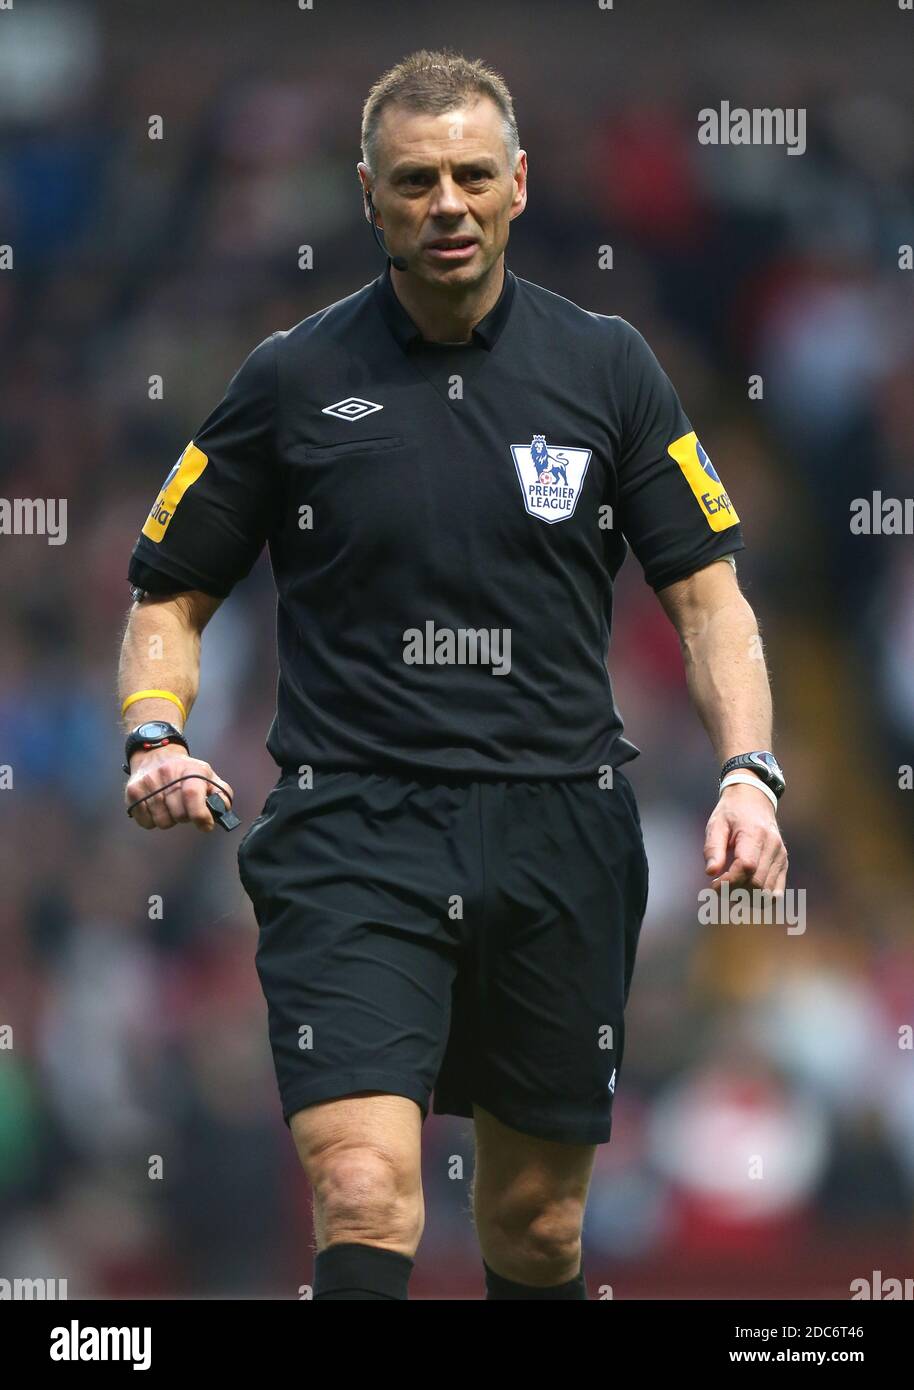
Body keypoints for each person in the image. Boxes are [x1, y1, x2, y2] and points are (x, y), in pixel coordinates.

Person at [118, 49, 788, 1300]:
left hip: (558, 829)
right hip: (353, 827)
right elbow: (169, 589)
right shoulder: (290, 378)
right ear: (367, 193)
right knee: (364, 1189)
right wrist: (154, 732)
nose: (448, 204)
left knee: (535, 1230)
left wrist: (749, 772)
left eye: (474, 175)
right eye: (415, 179)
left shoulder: (608, 369)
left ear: (519, 184)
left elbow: (708, 598)